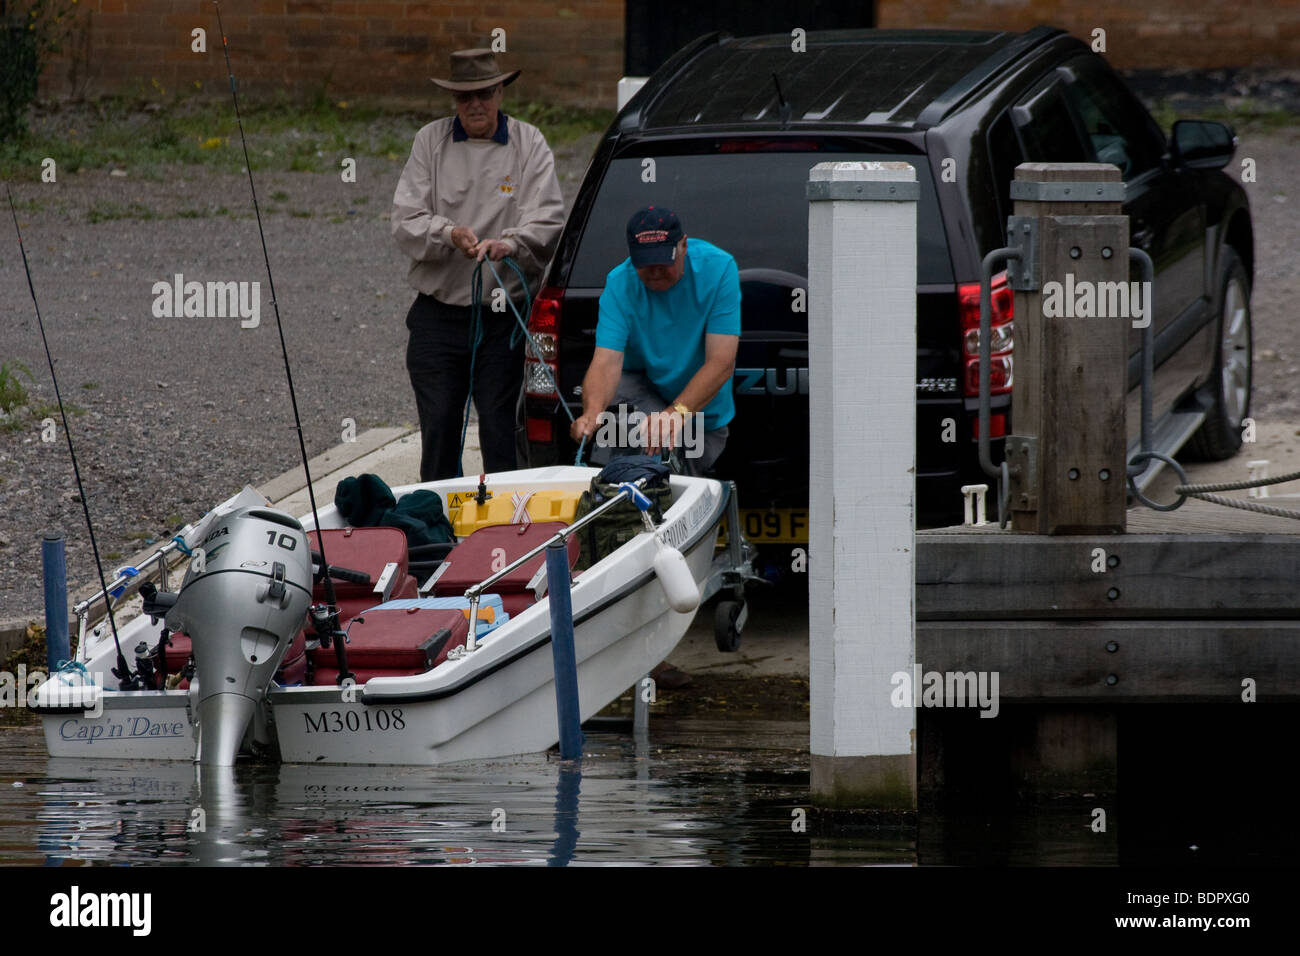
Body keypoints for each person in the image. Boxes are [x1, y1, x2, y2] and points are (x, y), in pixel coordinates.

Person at [391, 48, 564, 481]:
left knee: (501, 431)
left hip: (505, 316)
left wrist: (511, 244)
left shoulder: (530, 143)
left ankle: (505, 531)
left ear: (500, 90)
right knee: (440, 429)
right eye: (464, 96)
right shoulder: (430, 141)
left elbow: (547, 221)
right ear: (453, 99)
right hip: (439, 313)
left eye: (484, 93)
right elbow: (405, 222)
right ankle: (438, 528)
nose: (475, 105)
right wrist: (448, 234)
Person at [570, 206, 741, 477]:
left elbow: (721, 363)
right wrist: (592, 413)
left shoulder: (719, 268)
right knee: (638, 476)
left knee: (683, 488)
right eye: (646, 263)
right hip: (644, 391)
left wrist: (676, 413)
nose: (656, 272)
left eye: (664, 261)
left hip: (702, 414)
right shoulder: (619, 282)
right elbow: (606, 362)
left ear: (683, 245)